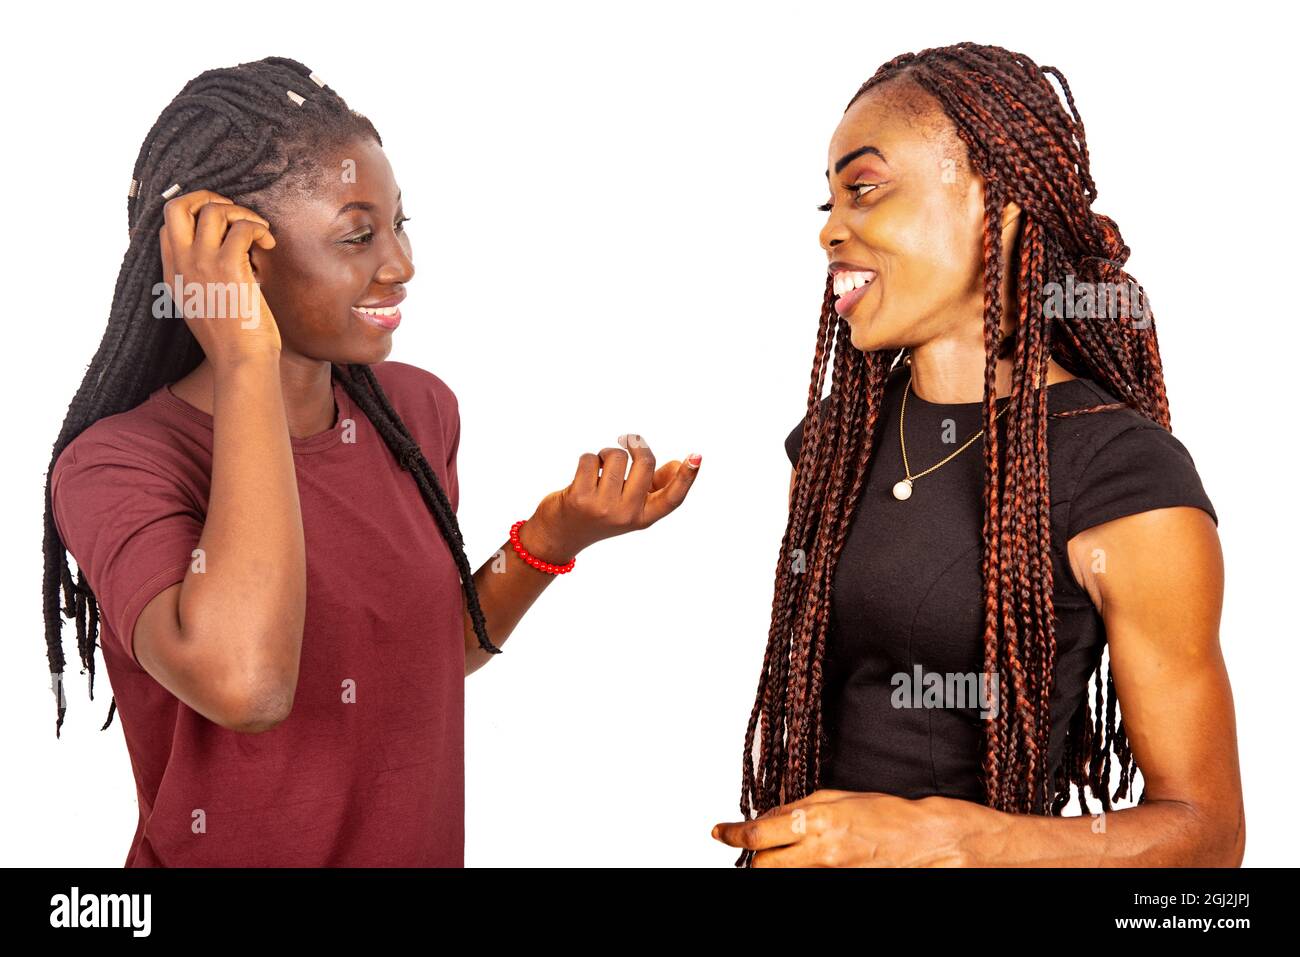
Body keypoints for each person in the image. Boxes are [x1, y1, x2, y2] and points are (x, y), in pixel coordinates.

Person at [43, 57, 701, 867]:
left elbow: (424, 650)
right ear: (234, 256)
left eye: (399, 224)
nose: (399, 264)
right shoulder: (117, 465)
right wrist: (248, 359)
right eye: (359, 235)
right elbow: (246, 683)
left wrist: (553, 536)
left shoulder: (416, 414)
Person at [712, 43, 1243, 867]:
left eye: (865, 189)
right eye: (827, 201)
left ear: (1001, 211)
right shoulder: (831, 445)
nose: (830, 229)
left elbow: (1208, 834)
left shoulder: (1123, 477)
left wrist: (957, 841)